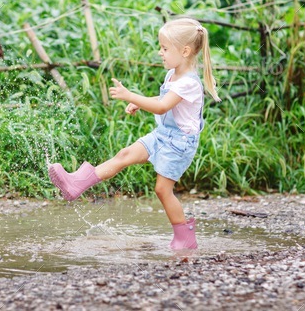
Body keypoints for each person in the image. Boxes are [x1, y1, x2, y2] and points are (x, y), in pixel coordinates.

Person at [48, 17, 220, 250]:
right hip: (163, 135)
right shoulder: (172, 75)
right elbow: (163, 100)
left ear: (185, 51)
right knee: (125, 154)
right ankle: (76, 183)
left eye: (165, 48)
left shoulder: (188, 82)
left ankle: (185, 236)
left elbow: (161, 107)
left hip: (179, 144)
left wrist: (131, 96)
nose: (160, 53)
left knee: (162, 190)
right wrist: (141, 102)